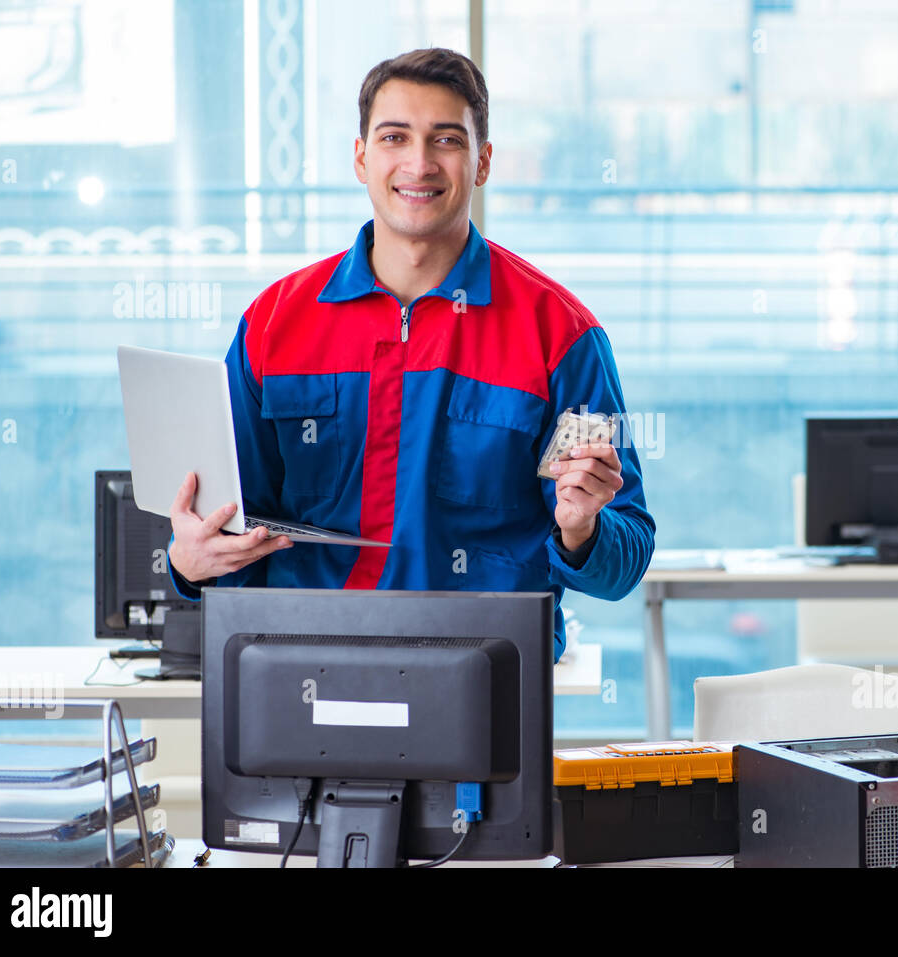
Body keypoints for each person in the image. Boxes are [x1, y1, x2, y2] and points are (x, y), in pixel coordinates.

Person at [165, 48, 654, 662]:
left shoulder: (561, 335)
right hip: (300, 668)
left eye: (446, 139)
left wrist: (582, 530)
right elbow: (228, 527)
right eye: (395, 136)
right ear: (361, 157)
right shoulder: (274, 323)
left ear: (482, 163)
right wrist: (190, 562)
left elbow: (624, 563)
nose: (419, 163)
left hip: (484, 679)